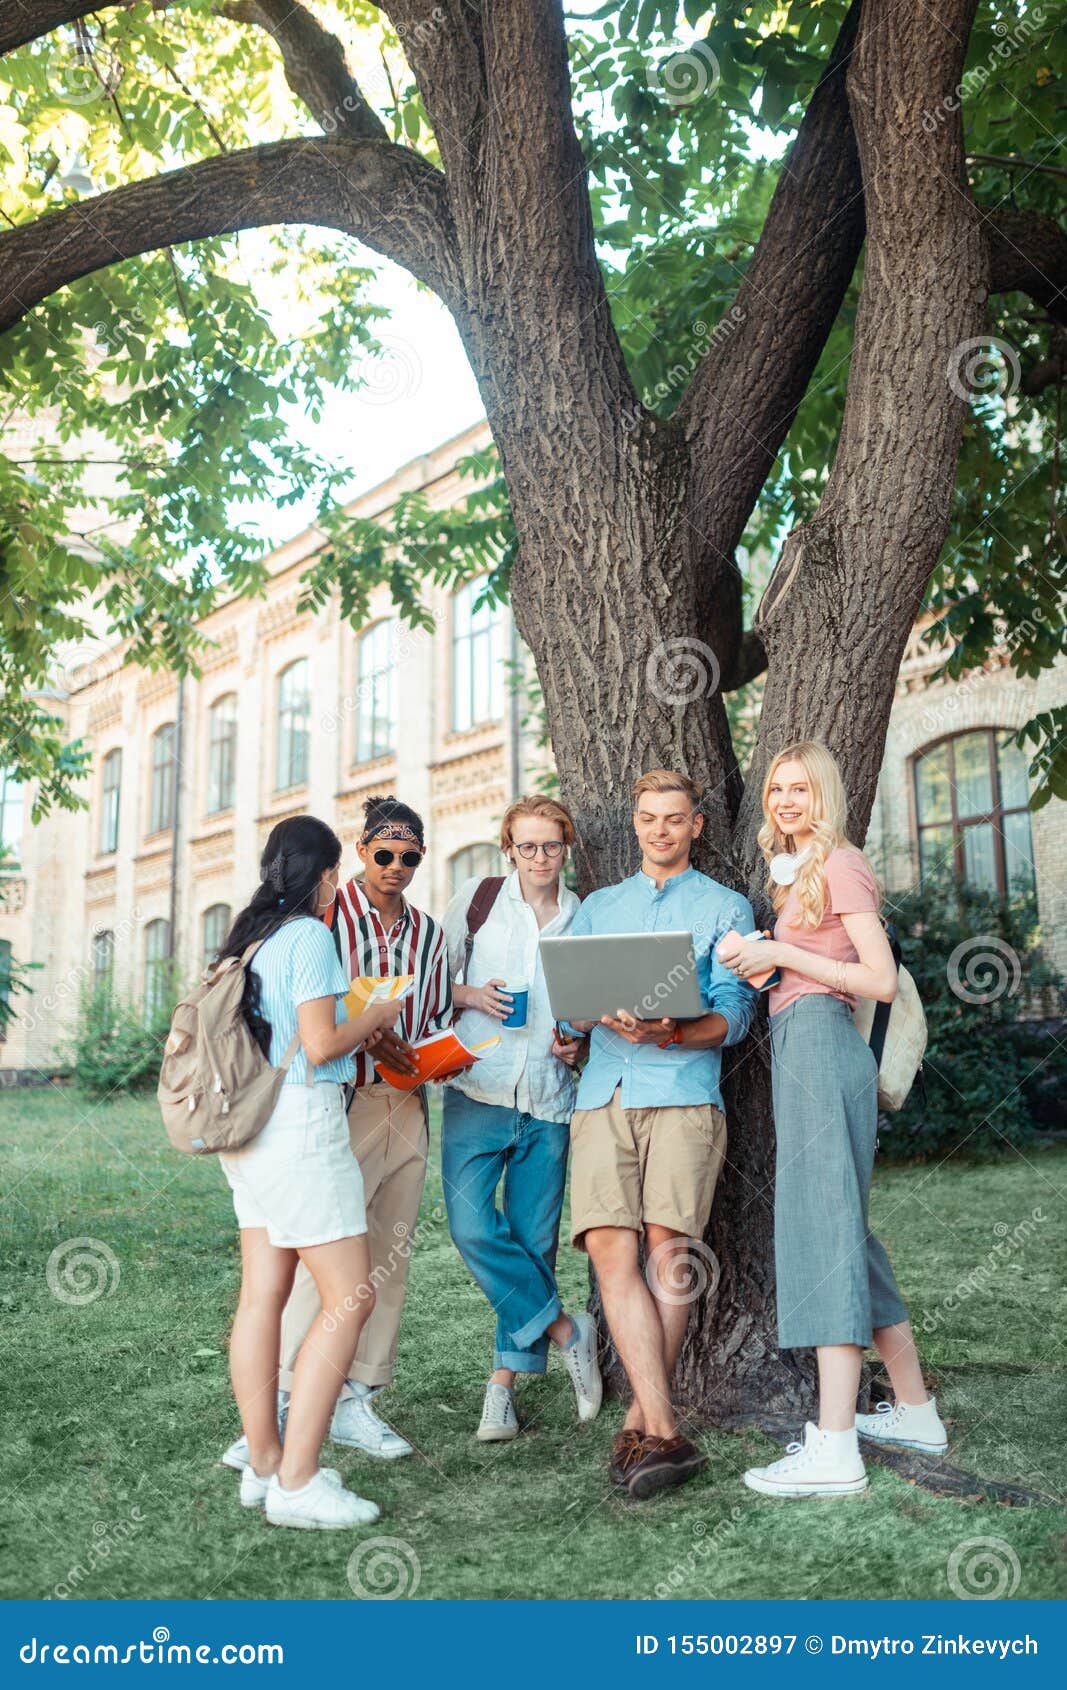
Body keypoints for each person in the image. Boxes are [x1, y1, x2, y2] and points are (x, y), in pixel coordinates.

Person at [719, 741, 948, 1500]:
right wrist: (762, 957)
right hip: (803, 1042)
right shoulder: (803, 870)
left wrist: (780, 952)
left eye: (800, 789)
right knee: (843, 1227)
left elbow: (877, 978)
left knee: (820, 1232)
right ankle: (913, 1409)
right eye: (777, 789)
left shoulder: (840, 864)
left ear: (824, 796)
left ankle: (835, 1441)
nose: (784, 800)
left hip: (820, 1042)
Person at [564, 770, 757, 1500]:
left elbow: (734, 1017)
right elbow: (568, 1008)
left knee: (667, 1249)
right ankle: (665, 1430)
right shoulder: (598, 908)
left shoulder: (723, 907)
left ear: (695, 826)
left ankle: (646, 1422)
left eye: (673, 819)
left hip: (680, 1092)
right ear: (635, 824)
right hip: (602, 1092)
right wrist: (573, 1023)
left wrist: (669, 1030)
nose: (659, 831)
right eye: (647, 819)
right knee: (610, 1248)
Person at [214, 816, 402, 1529]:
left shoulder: (246, 939)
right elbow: (321, 1045)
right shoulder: (313, 936)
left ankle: (264, 1465)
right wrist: (377, 1011)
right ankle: (298, 1479)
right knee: (349, 1297)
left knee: (262, 1295)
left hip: (249, 1132)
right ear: (327, 877)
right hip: (298, 1128)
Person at [441, 794, 601, 1442]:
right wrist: (471, 994)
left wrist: (578, 1043)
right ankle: (567, 1330)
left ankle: (500, 1392)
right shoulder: (476, 902)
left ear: (566, 849)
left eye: (551, 846)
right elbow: (428, 982)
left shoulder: (582, 917)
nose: (539, 858)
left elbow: (588, 1008)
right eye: (527, 846)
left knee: (532, 1245)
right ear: (508, 849)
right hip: (476, 1089)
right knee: (473, 1228)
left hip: (548, 1098)